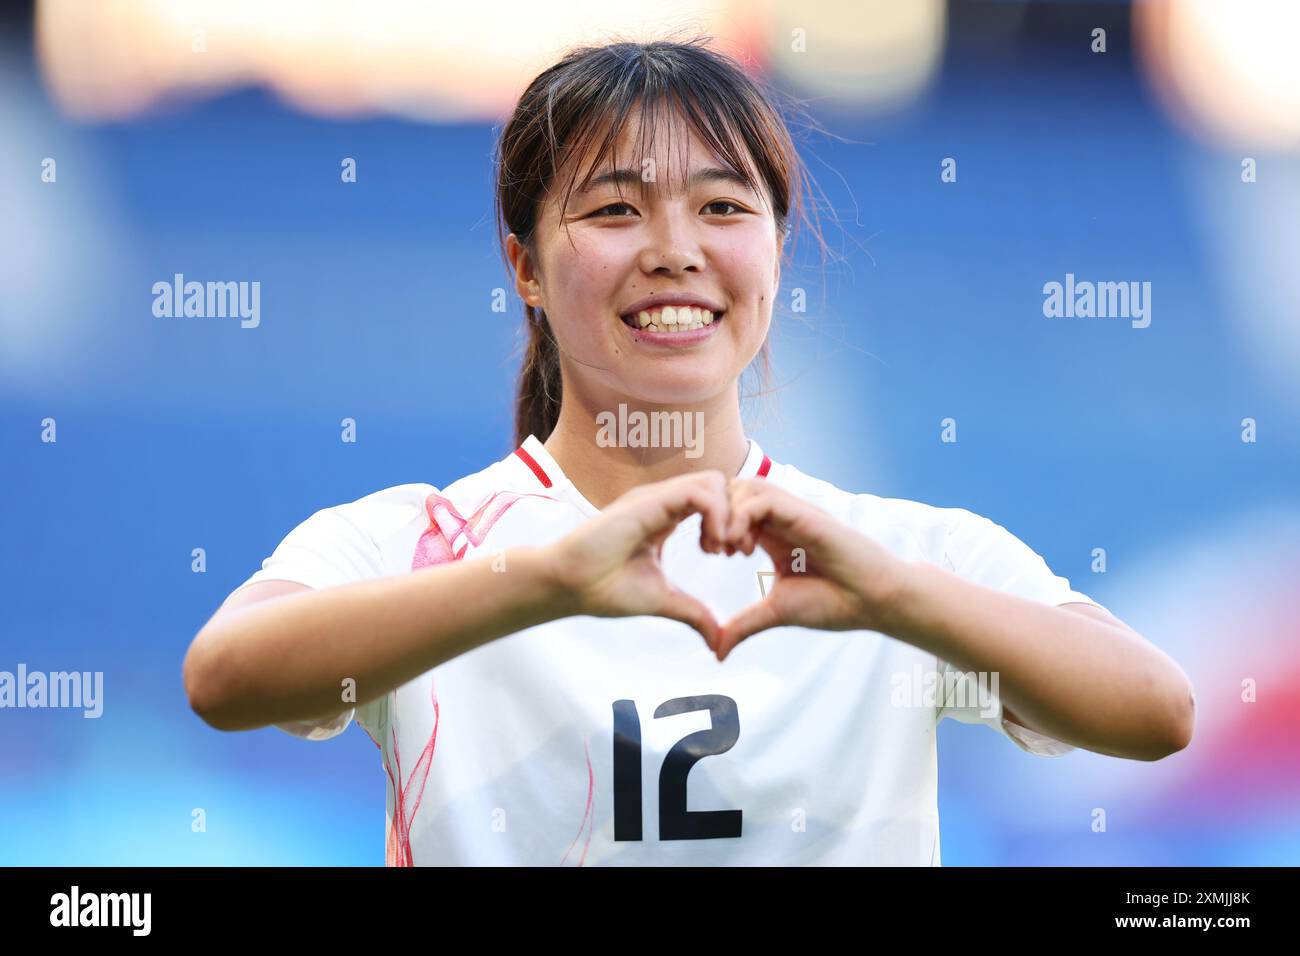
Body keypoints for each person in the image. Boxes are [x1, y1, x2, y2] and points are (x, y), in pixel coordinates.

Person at [182, 38, 1195, 866]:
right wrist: (541, 580)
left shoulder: (892, 552)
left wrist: (892, 595)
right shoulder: (419, 540)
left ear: (775, 250)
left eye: (721, 206)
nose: (674, 248)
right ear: (523, 267)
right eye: (615, 208)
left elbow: (1155, 710)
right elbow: (226, 677)